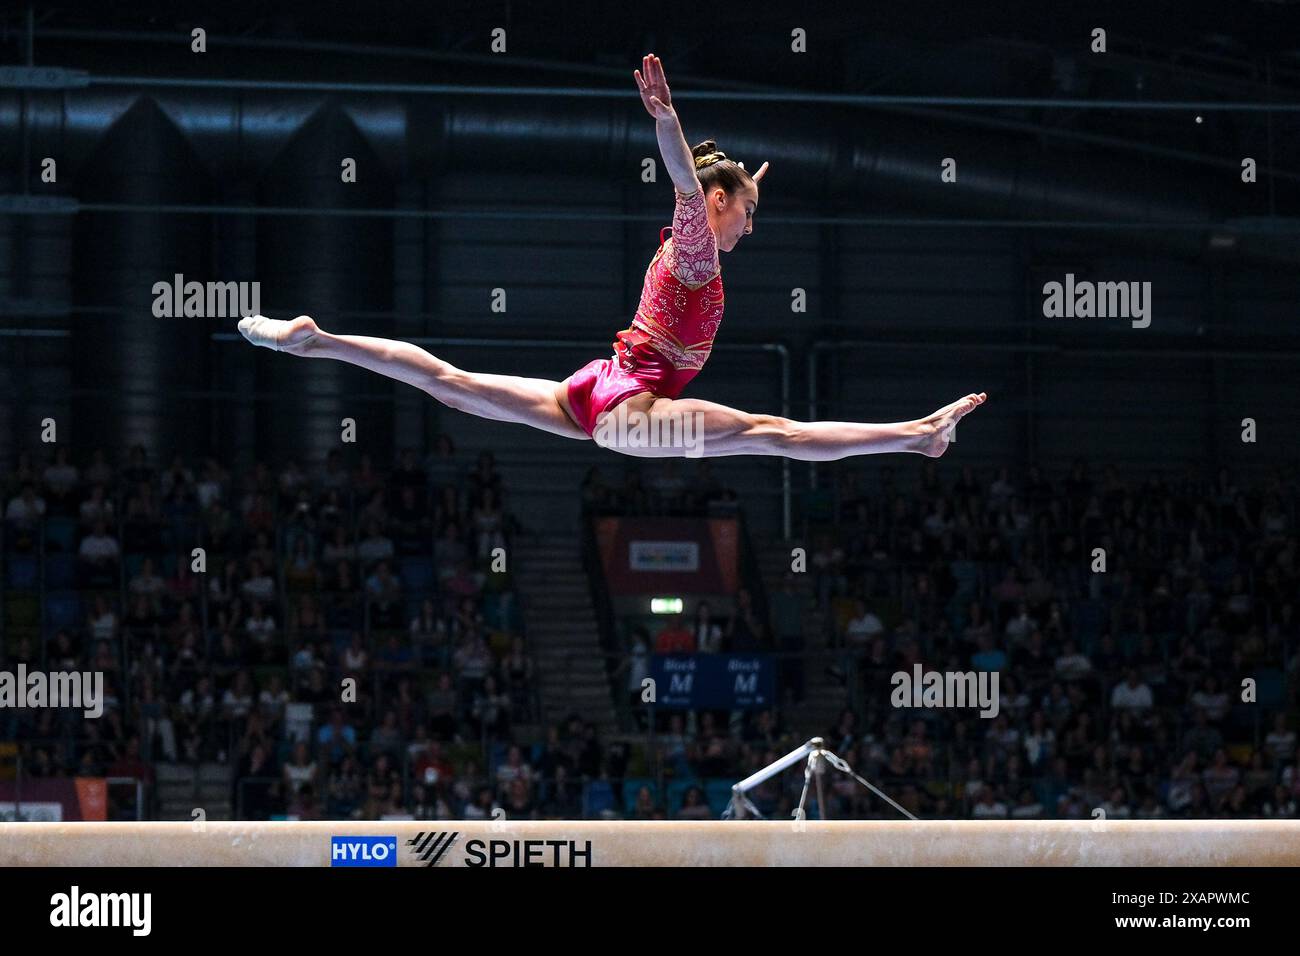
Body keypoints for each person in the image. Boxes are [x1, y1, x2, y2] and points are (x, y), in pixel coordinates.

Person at [237, 54, 985, 462]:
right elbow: (689, 182)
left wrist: (732, 176)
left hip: (597, 389)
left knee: (452, 385)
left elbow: (708, 185)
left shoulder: (693, 244)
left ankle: (320, 341)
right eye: (747, 213)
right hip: (631, 413)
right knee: (774, 436)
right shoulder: (696, 253)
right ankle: (916, 435)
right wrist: (668, 121)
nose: (749, 230)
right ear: (720, 203)